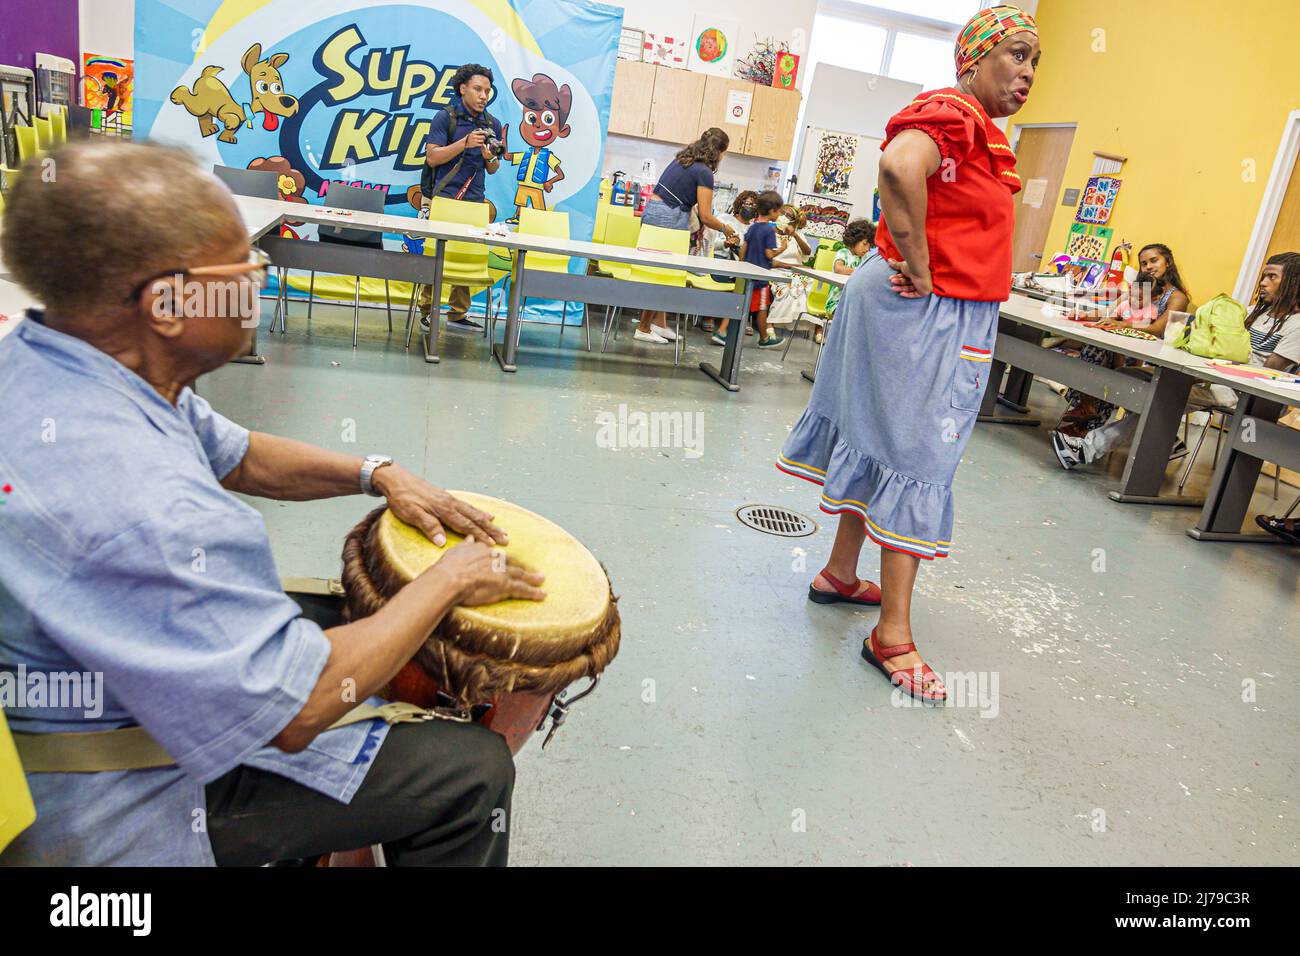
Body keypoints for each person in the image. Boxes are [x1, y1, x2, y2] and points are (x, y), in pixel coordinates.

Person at [0, 141, 547, 866]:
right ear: (169, 304)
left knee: (348, 621)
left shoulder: (65, 363)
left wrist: (376, 472)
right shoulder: (144, 500)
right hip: (130, 801)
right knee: (470, 774)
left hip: (100, 691)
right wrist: (447, 581)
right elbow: (300, 710)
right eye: (246, 269)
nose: (261, 279)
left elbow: (240, 454)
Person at [776, 5, 1040, 703]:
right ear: (973, 57)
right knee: (920, 454)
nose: (1027, 72)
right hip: (932, 311)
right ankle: (891, 634)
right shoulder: (954, 112)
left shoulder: (974, 130)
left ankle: (840, 571)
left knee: (877, 438)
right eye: (1015, 53)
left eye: (1035, 60)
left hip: (911, 306)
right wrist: (922, 265)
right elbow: (897, 167)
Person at [1052, 251, 1300, 469]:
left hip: (1247, 393)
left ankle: (1087, 449)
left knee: (1164, 396)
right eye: (1264, 276)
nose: (1264, 283)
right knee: (1130, 377)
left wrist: (1209, 368)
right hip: (1215, 377)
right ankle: (1168, 442)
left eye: (1272, 277)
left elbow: (1269, 372)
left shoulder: (1296, 324)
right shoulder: (1259, 313)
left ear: (1292, 283)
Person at [1055, 242, 1191, 436]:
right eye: (1144, 264)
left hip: (1149, 357)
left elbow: (1157, 329)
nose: (1149, 267)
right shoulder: (1140, 289)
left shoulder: (1177, 297)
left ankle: (1087, 421)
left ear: (1167, 262)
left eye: (1154, 260)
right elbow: (1112, 311)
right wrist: (1086, 315)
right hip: (1125, 346)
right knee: (1096, 348)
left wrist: (1124, 324)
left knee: (1107, 359)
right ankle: (1088, 414)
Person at [419, 63, 505, 333]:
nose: (483, 96)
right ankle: (427, 311)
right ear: (462, 88)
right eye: (478, 89)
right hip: (445, 197)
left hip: (475, 201)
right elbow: (432, 157)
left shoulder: (493, 124)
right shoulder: (445, 118)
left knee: (468, 258)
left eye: (487, 91)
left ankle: (458, 314)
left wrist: (489, 158)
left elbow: (493, 168)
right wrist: (464, 143)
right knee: (437, 257)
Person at [634, 127, 738, 345]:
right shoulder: (704, 172)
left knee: (666, 272)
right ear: (720, 152)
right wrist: (725, 229)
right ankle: (643, 328)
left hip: (654, 211)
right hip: (668, 217)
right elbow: (706, 215)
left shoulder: (683, 159)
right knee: (661, 276)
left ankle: (659, 324)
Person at [712, 189, 787, 350]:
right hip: (759, 278)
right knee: (761, 308)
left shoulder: (753, 228)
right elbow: (768, 254)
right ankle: (764, 338)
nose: (779, 214)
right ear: (772, 211)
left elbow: (744, 248)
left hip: (746, 274)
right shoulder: (768, 230)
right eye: (779, 210)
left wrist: (742, 266)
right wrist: (782, 249)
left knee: (738, 303)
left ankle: (721, 331)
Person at [820, 218, 876, 344]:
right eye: (864, 244)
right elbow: (838, 268)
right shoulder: (844, 253)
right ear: (854, 241)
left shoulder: (865, 257)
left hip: (854, 300)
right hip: (837, 302)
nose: (867, 248)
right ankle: (838, 344)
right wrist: (859, 272)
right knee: (846, 324)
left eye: (869, 245)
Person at [766, 204, 815, 328]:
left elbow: (807, 252)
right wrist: (793, 266)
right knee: (789, 285)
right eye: (782, 213)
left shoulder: (797, 235)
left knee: (812, 283)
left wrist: (795, 235)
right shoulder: (769, 233)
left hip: (797, 272)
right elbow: (770, 261)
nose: (784, 217)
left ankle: (811, 324)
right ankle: (771, 323)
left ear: (793, 221)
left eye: (788, 216)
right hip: (777, 271)